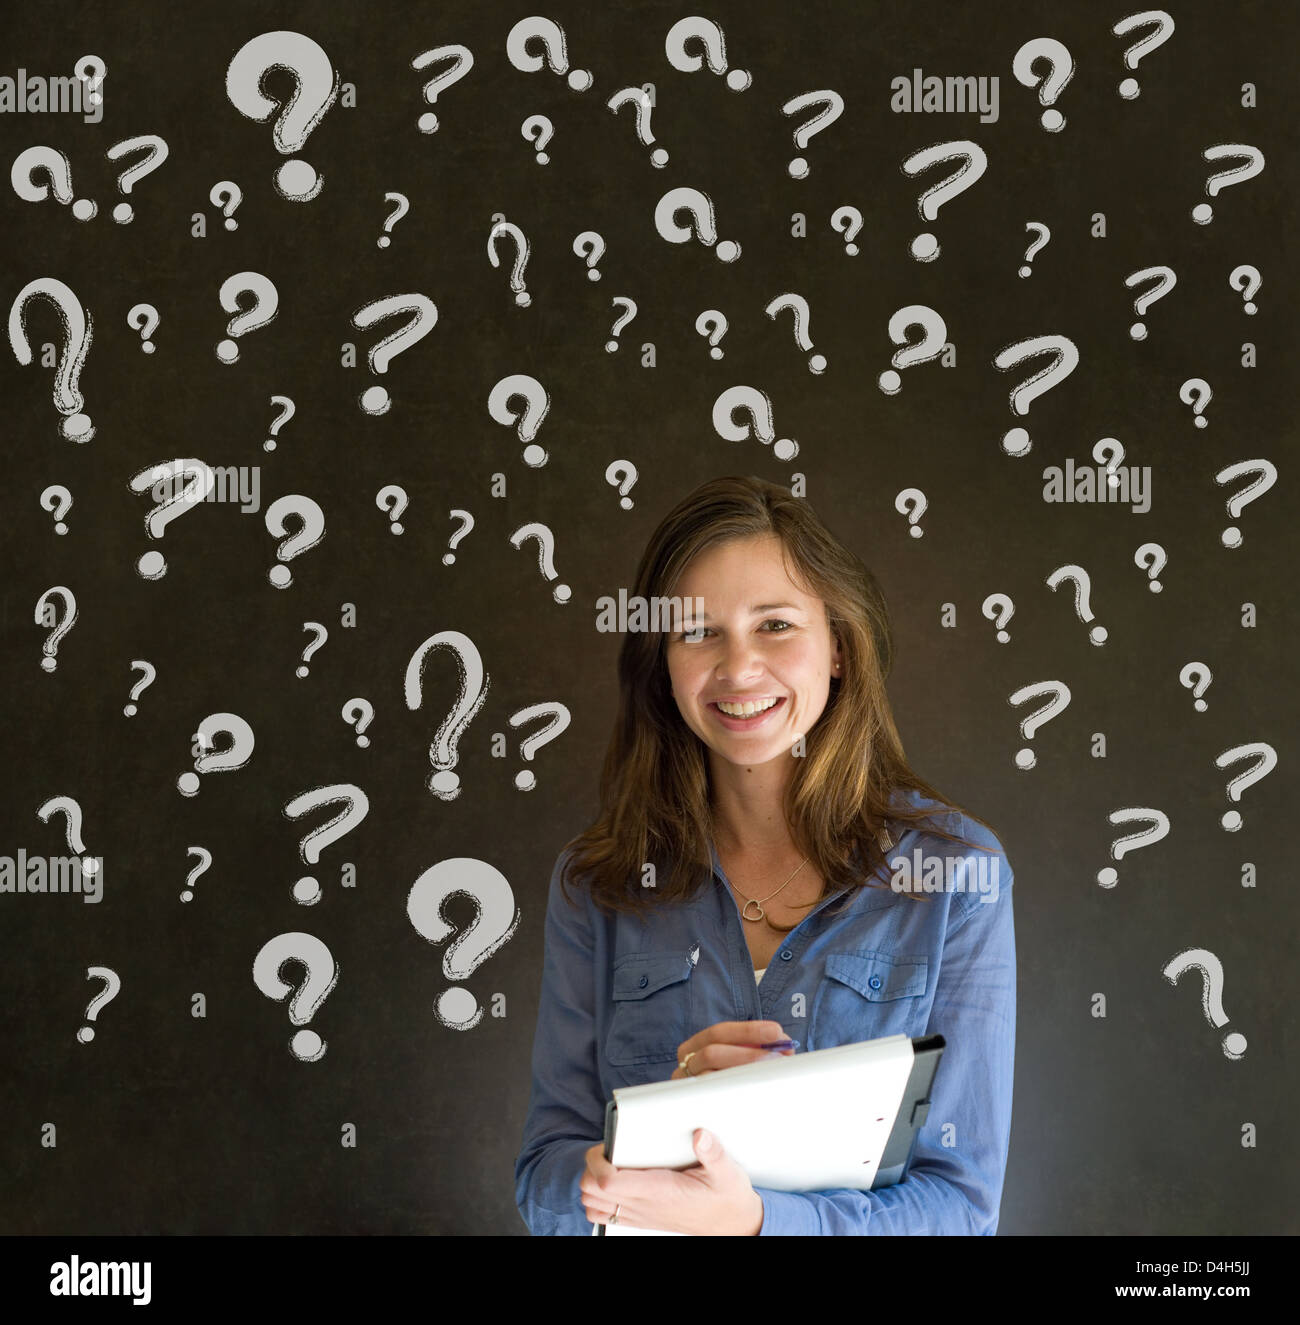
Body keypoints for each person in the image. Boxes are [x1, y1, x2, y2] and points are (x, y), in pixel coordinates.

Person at [514, 475, 1015, 1235]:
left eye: (776, 624)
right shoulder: (598, 884)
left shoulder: (956, 873)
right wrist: (638, 1153)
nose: (739, 667)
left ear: (839, 646)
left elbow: (961, 1206)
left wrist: (755, 1222)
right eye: (698, 631)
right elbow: (545, 1179)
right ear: (664, 662)